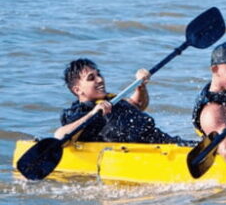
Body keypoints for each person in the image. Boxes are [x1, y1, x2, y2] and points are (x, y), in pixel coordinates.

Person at [55, 58, 184, 144]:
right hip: (141, 154)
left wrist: (140, 86)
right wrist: (93, 114)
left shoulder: (112, 99)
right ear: (77, 90)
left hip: (163, 142)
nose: (100, 79)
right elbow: (60, 136)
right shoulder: (79, 112)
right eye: (91, 78)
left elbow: (138, 105)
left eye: (99, 74)